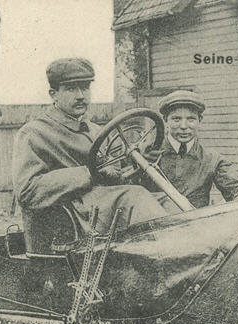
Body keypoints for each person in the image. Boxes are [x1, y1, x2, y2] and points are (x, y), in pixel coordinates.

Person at [12, 58, 167, 235]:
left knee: (167, 201)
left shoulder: (97, 131)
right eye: (71, 89)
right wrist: (89, 173)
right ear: (53, 94)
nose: (80, 96)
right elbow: (27, 191)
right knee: (135, 197)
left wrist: (136, 162)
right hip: (73, 218)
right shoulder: (34, 133)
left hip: (107, 206)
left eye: (85, 87)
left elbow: (118, 175)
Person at [143, 90, 238, 212]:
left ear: (200, 120)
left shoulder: (211, 159)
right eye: (176, 119)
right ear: (165, 120)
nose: (184, 126)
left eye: (191, 119)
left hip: (196, 226)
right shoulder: (145, 154)